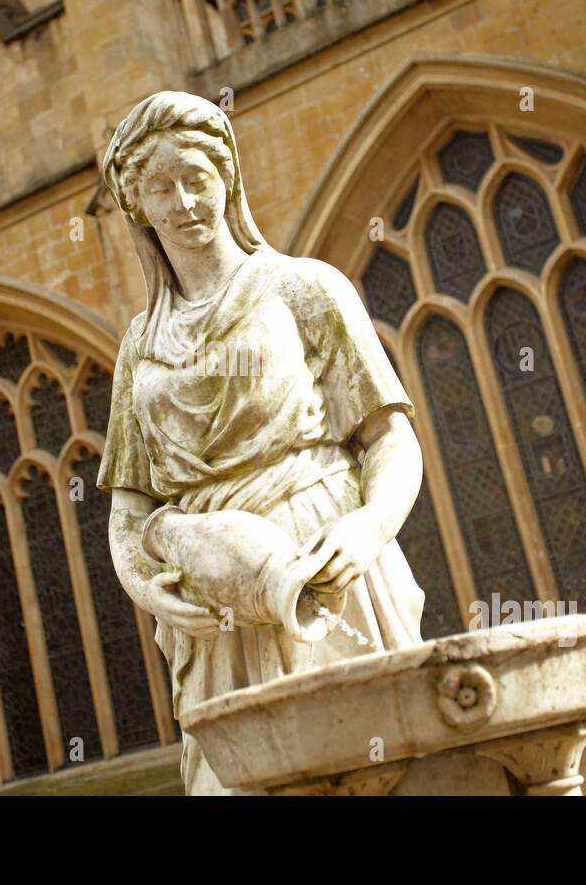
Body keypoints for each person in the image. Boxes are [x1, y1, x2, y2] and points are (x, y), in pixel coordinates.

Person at [98, 90, 426, 794]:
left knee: (373, 766)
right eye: (160, 187)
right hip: (210, 593)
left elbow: (388, 437)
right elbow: (128, 512)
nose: (184, 202)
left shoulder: (304, 287)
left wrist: (370, 527)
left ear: (228, 180)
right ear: (137, 207)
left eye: (198, 178)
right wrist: (147, 586)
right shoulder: (140, 348)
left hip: (321, 551)